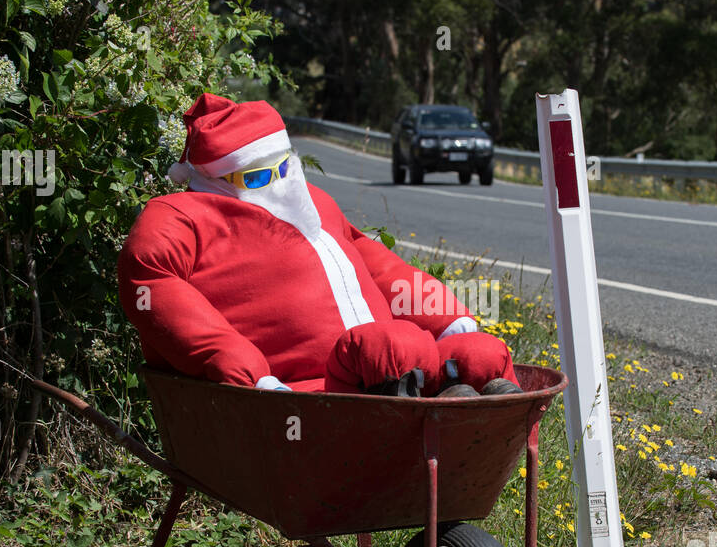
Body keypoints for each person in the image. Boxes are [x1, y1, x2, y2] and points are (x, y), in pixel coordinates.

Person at [118, 93, 519, 397]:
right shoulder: (182, 215)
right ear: (219, 179)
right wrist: (243, 369)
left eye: (286, 167)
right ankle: (430, 422)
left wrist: (444, 314)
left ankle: (455, 420)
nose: (280, 183)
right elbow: (151, 282)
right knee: (395, 345)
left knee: (482, 354)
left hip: (384, 365)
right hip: (308, 397)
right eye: (259, 177)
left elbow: (375, 263)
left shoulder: (315, 202)